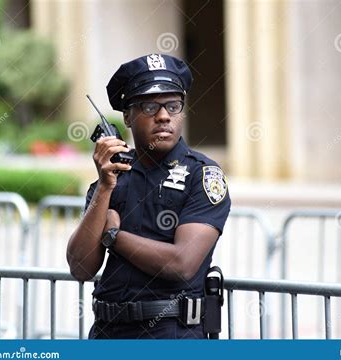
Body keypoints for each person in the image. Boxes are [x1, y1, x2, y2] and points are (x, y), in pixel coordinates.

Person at [66, 53, 231, 339]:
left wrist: (114, 236)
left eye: (173, 105)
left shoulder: (202, 175)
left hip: (171, 334)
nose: (164, 115)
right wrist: (104, 188)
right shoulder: (113, 176)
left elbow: (182, 264)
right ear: (128, 116)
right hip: (108, 332)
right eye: (150, 106)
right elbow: (80, 266)